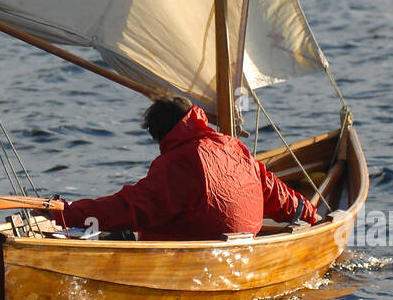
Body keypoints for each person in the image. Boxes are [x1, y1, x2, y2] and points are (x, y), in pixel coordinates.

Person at [53, 96, 319, 242]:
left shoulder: (179, 163)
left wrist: (66, 214)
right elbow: (272, 189)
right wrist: (306, 212)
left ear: (160, 134)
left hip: (198, 261)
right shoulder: (232, 146)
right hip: (242, 250)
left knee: (118, 234)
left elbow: (130, 208)